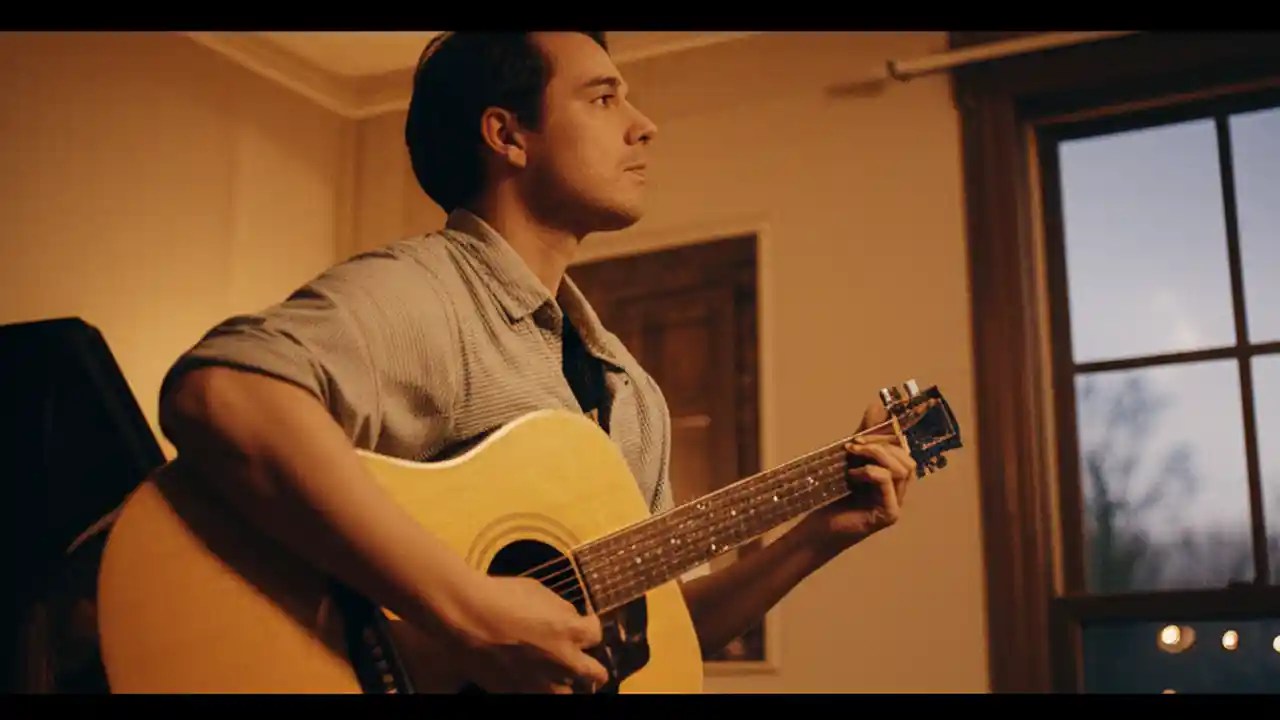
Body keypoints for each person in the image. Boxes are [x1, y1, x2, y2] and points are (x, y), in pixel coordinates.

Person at [157, 31, 919, 694]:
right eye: (603, 98)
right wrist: (468, 609)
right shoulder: (427, 297)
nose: (644, 126)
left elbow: (661, 627)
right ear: (508, 135)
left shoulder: (629, 391)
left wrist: (822, 533)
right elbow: (222, 393)